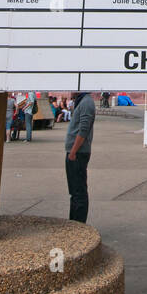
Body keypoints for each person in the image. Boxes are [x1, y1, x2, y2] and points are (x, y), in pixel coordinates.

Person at [65, 91, 95, 223]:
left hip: (78, 153)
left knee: (78, 192)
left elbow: (84, 128)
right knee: (74, 191)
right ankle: (73, 223)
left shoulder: (86, 102)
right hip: (75, 152)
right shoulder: (81, 101)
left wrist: (73, 151)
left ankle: (79, 225)